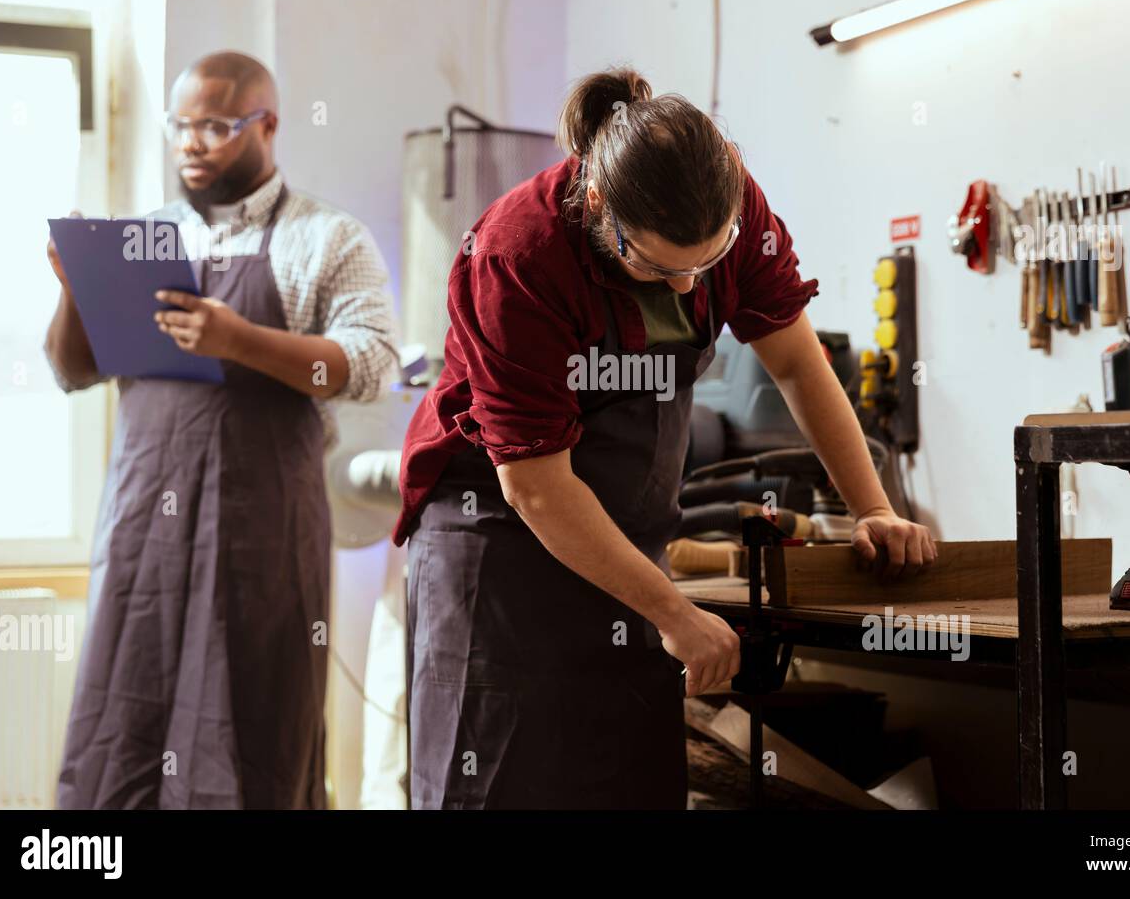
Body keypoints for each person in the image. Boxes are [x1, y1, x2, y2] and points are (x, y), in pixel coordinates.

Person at [393, 67, 936, 810]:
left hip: (623, 537)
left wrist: (874, 508)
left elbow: (800, 368)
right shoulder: (518, 255)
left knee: (626, 774)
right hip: (497, 538)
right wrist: (674, 612)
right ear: (594, 204)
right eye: (653, 265)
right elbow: (535, 485)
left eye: (705, 264)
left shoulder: (731, 202)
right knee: (498, 780)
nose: (685, 289)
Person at [45, 51, 398, 808]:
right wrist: (77, 290)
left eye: (214, 126)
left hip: (262, 539)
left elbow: (371, 364)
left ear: (266, 125)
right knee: (125, 728)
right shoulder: (142, 239)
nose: (191, 144)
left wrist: (241, 341)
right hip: (144, 535)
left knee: (255, 733)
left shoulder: (328, 239)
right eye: (180, 126)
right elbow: (74, 373)